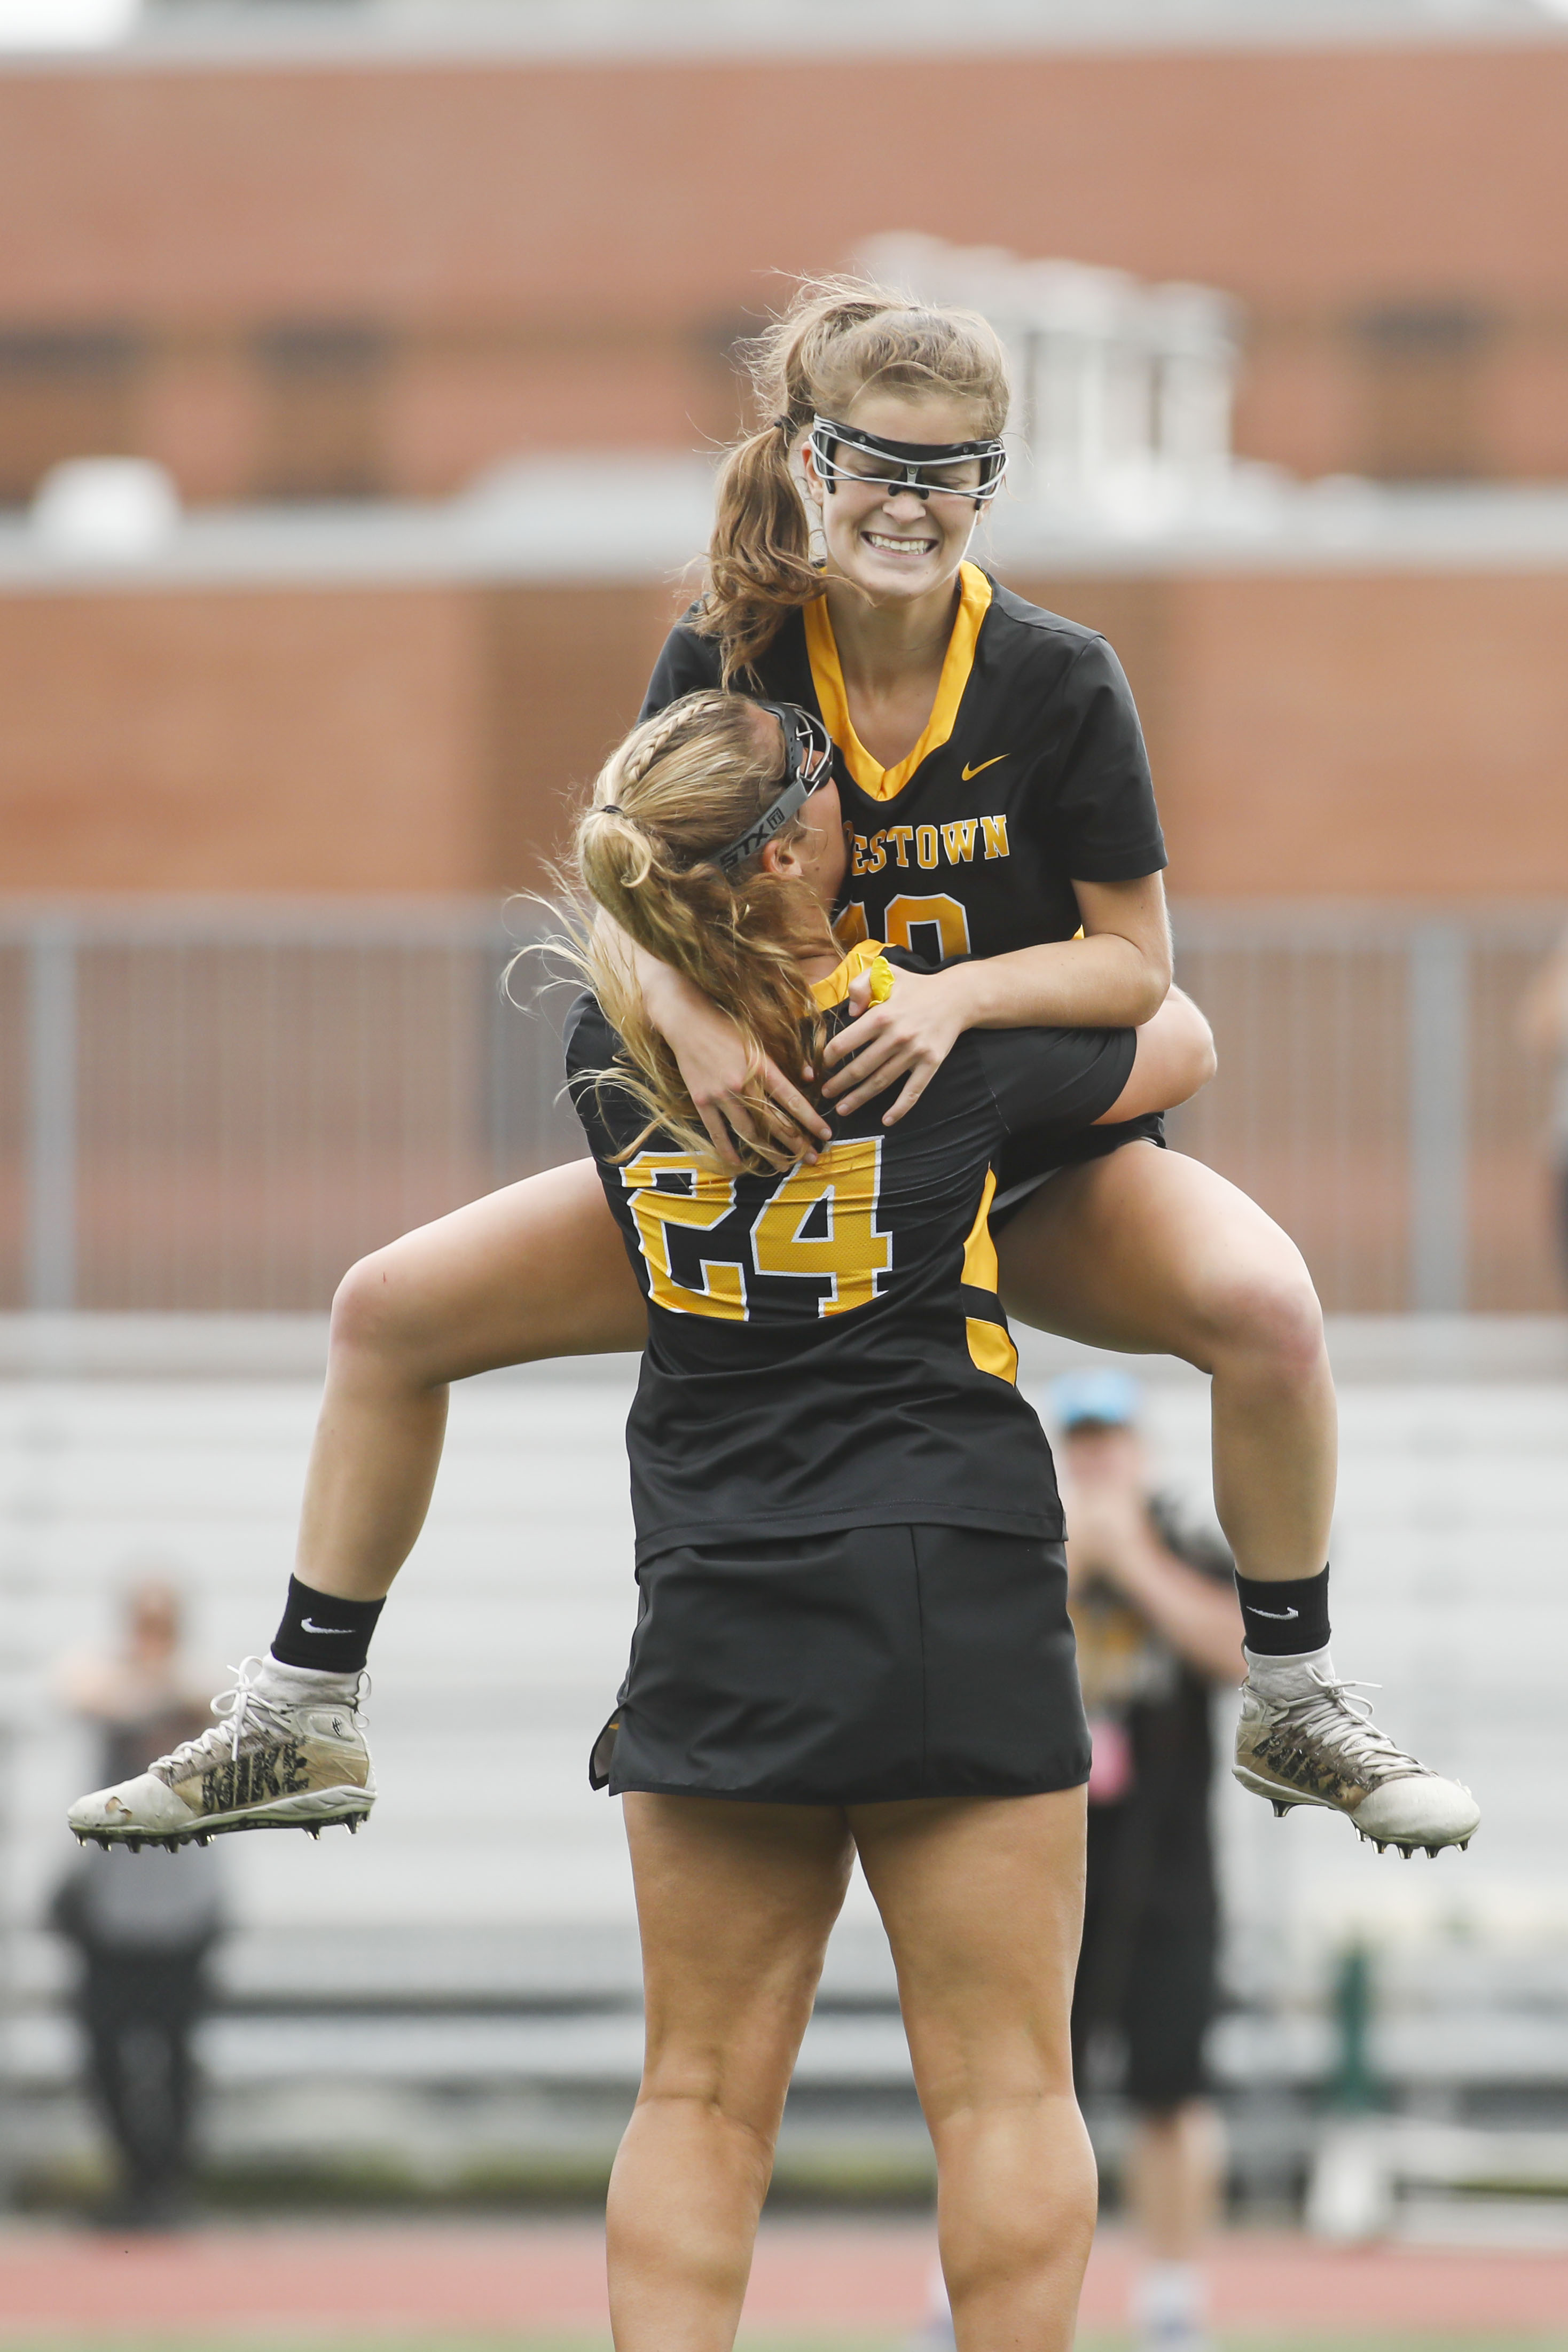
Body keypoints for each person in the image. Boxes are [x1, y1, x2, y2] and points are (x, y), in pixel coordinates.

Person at [68, 277, 1475, 1861]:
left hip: (1002, 1142)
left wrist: (949, 1007)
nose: (912, 501)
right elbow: (633, 875)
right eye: (879, 462)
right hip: (779, 1166)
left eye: (952, 471)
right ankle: (295, 1712)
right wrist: (703, 1017)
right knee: (386, 1311)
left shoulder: (1056, 675)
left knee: (1271, 1311)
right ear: (812, 461)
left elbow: (1141, 970)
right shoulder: (730, 647)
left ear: (994, 484)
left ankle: (1291, 1693)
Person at [569, 690, 1204, 2351]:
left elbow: (628, 948)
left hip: (717, 1576)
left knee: (697, 2099)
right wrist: (981, 986)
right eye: (826, 795)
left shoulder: (608, 1044)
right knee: (1005, 2091)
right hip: (956, 1566)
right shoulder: (933, 1038)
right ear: (789, 852)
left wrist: (686, 986)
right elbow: (1181, 1031)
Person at [52, 1579, 227, 2228]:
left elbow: (213, 1702)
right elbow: (79, 1690)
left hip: (183, 1907)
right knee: (104, 2054)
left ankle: (167, 2187)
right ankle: (134, 2178)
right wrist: (142, 1689)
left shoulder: (198, 1687)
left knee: (177, 2055)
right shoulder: (106, 1679)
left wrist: (161, 1690)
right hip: (111, 1909)